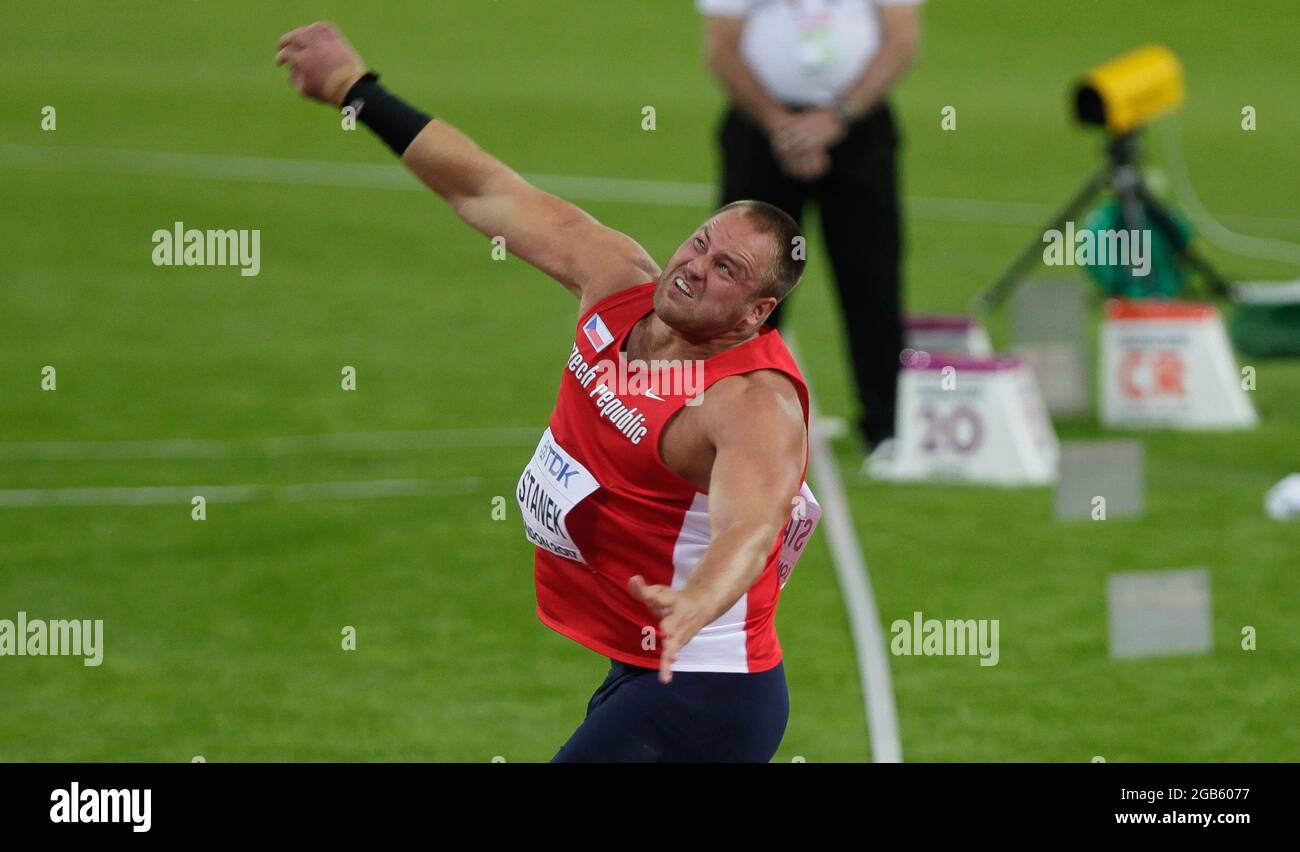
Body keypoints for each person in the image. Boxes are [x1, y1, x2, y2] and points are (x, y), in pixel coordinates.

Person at [276, 21, 822, 762]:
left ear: (758, 312)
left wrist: (696, 602)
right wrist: (354, 90)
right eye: (700, 242)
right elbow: (486, 188)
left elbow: (750, 529)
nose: (694, 266)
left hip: (703, 689)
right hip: (644, 668)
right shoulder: (617, 282)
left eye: (727, 270)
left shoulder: (748, 402)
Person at [700, 0, 922, 455]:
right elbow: (722, 47)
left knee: (872, 276)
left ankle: (886, 426)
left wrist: (837, 117)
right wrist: (781, 125)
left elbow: (901, 40)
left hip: (859, 130)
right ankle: (730, 421)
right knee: (741, 280)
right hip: (760, 130)